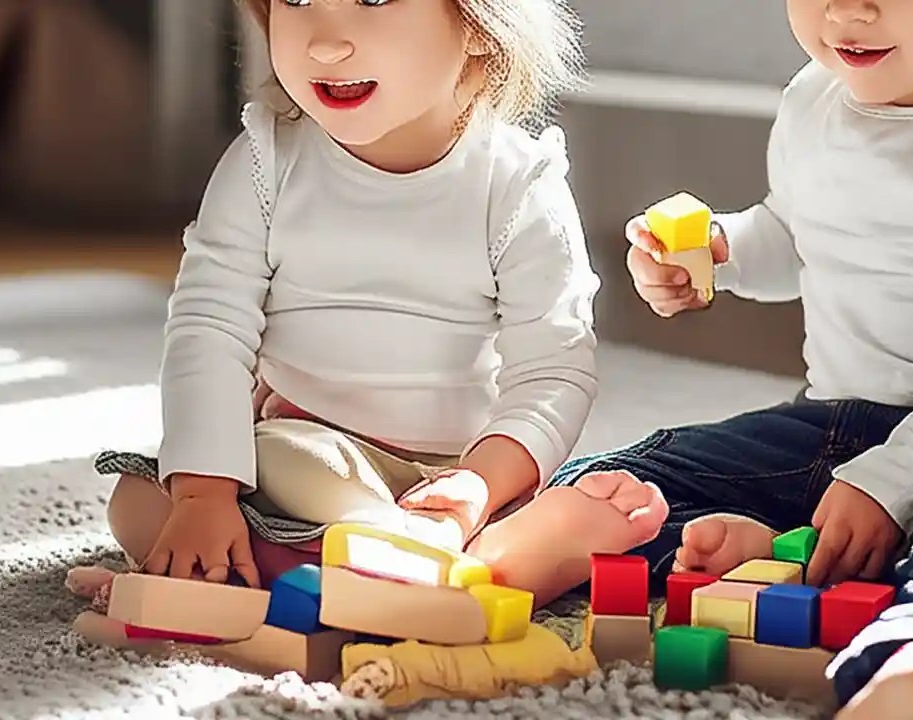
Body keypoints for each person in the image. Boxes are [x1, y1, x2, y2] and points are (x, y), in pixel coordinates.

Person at [544, 0, 913, 717]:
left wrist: (892, 480)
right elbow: (798, 237)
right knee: (606, 490)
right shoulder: (813, 94)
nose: (847, 11)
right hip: (835, 423)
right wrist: (723, 250)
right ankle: (785, 553)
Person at [84, 0, 616, 592]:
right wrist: (204, 496)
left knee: (558, 492)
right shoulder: (265, 161)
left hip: (456, 471)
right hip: (302, 457)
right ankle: (407, 563)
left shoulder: (518, 185)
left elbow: (553, 371)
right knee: (139, 502)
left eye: (373, 0)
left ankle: (380, 554)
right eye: (298, 0)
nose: (326, 44)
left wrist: (478, 485)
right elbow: (209, 326)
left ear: (480, 25)